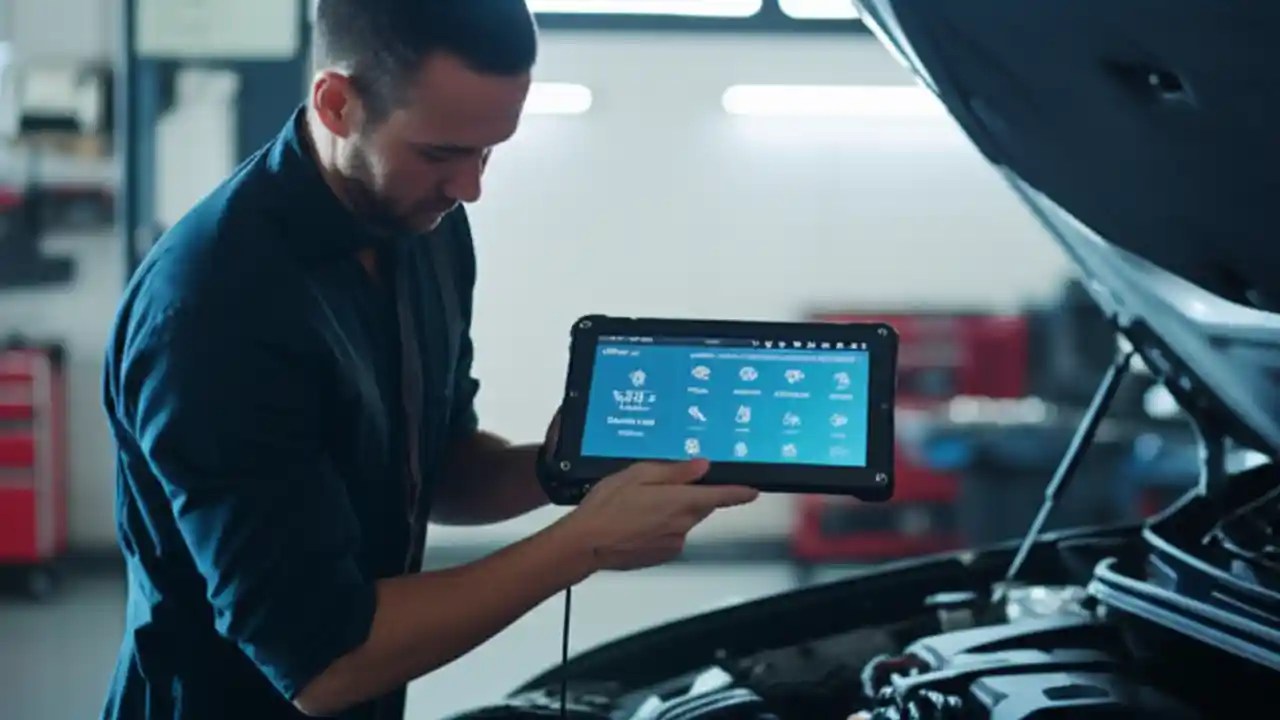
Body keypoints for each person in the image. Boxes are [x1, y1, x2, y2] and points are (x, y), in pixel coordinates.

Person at [98, 2, 759, 719]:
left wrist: (555, 467)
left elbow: (432, 469)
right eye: (441, 154)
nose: (470, 187)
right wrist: (586, 542)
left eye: (489, 151)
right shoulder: (214, 310)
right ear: (337, 102)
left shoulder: (422, 229)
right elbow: (324, 664)